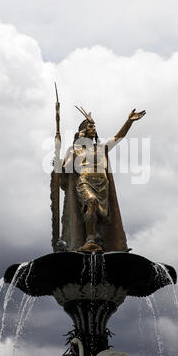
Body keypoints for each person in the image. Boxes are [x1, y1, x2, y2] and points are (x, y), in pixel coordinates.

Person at [59, 107, 145, 252]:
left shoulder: (101, 148)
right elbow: (66, 169)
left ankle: (99, 239)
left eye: (94, 126)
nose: (93, 129)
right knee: (90, 202)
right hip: (84, 181)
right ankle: (90, 240)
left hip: (102, 185)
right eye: (90, 126)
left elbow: (118, 138)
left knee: (98, 216)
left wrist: (128, 122)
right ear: (83, 130)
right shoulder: (75, 149)